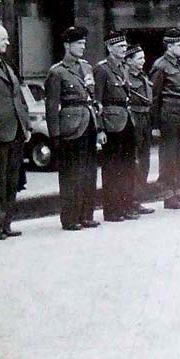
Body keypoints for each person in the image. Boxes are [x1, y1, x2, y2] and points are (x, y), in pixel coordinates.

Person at [45, 26, 105, 231]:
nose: (83, 47)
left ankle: (86, 214)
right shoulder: (58, 71)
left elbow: (93, 97)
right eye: (79, 43)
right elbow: (51, 106)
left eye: (84, 43)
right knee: (71, 173)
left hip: (88, 122)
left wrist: (98, 125)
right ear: (67, 45)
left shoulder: (87, 67)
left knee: (89, 172)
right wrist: (55, 134)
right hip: (70, 125)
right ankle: (70, 217)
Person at [94, 30, 138, 222]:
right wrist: (100, 128)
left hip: (126, 118)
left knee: (127, 166)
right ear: (109, 48)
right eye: (119, 47)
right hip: (111, 122)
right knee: (112, 168)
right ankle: (112, 209)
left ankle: (125, 205)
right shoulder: (102, 70)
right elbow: (97, 101)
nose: (123, 50)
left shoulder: (123, 68)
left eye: (125, 46)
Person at [151, 28, 180, 210]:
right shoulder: (160, 66)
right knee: (169, 157)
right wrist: (155, 124)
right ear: (169, 47)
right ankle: (168, 195)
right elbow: (154, 97)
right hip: (169, 115)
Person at [0, 23, 31, 239]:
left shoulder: (7, 66)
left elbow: (18, 99)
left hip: (15, 131)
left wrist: (25, 125)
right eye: (3, 38)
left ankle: (6, 222)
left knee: (11, 180)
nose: (7, 42)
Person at [123, 43, 155, 215]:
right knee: (133, 161)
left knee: (144, 161)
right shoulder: (125, 77)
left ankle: (138, 199)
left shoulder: (143, 76)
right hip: (133, 118)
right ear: (128, 60)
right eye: (139, 58)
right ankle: (130, 200)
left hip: (145, 119)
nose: (143, 61)